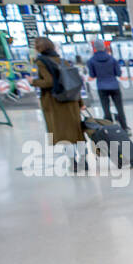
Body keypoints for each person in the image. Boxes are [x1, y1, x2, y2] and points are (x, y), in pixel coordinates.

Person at [31, 37, 85, 170]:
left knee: (64, 134)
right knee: (77, 132)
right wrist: (80, 102)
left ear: (39, 48)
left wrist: (33, 81)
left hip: (57, 103)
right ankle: (84, 160)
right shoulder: (62, 60)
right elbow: (74, 83)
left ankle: (73, 163)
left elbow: (48, 82)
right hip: (71, 101)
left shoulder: (41, 61)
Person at [87, 39, 127, 129]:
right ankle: (124, 127)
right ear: (104, 46)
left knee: (106, 109)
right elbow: (118, 73)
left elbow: (92, 75)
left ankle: (109, 127)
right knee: (119, 108)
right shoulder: (112, 59)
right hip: (114, 86)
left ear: (95, 48)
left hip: (101, 87)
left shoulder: (91, 61)